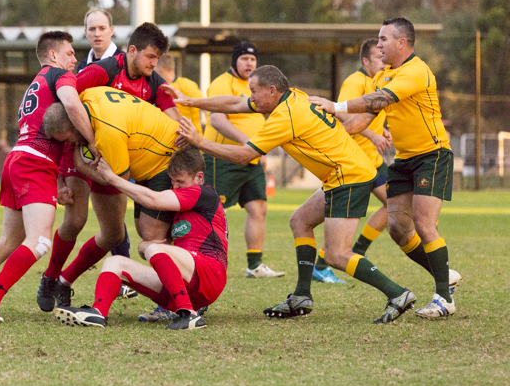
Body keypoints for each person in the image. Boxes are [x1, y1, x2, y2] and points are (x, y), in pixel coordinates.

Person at [173, 65, 415, 324]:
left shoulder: (284, 116)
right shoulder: (292, 96)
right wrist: (191, 102)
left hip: (349, 176)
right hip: (342, 174)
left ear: (271, 90)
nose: (251, 97)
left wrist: (198, 142)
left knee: (337, 254)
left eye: (254, 91)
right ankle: (301, 295)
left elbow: (245, 156)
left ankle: (398, 294)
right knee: (300, 220)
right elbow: (234, 103)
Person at [309, 18, 461, 319]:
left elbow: (381, 99)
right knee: (397, 230)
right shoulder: (383, 76)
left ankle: (444, 298)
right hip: (404, 160)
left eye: (383, 39)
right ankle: (446, 275)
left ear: (401, 43)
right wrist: (330, 133)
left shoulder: (416, 71)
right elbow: (366, 115)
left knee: (423, 223)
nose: (378, 45)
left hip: (432, 154)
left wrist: (335, 106)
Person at [0, 31, 94, 323]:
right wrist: (92, 140)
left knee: (9, 239)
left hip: (17, 158)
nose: (75, 58)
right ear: (53, 55)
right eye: (70, 52)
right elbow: (72, 106)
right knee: (40, 242)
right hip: (36, 162)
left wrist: (60, 182)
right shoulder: (60, 75)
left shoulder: (35, 84)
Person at [39, 21, 180, 312]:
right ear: (132, 51)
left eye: (158, 59)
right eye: (151, 57)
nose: (155, 64)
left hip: (115, 161)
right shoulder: (101, 71)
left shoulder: (154, 81)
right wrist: (61, 176)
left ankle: (65, 280)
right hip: (78, 150)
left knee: (115, 234)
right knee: (75, 220)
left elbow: (173, 118)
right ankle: (51, 277)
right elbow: (59, 115)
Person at [55, 147, 227, 330]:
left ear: (199, 178)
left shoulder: (205, 193)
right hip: (189, 284)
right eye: (172, 182)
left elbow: (153, 200)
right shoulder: (181, 209)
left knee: (153, 249)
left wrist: (112, 178)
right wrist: (146, 246)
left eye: (180, 181)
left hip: (210, 273)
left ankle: (188, 314)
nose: (175, 186)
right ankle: (98, 312)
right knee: (114, 263)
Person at [191, 39, 284, 280]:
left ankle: (255, 265)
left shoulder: (261, 86)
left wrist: (258, 150)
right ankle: (205, 261)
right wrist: (250, 143)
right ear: (235, 61)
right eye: (244, 59)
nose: (249, 63)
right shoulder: (222, 83)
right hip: (222, 159)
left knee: (258, 207)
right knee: (214, 211)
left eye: (253, 59)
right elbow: (217, 120)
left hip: (251, 160)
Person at [312, 38, 391, 284]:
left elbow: (372, 114)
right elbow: (342, 111)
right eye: (378, 58)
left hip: (373, 161)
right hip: (353, 161)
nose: (383, 61)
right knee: (336, 214)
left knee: (397, 204)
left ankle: (357, 251)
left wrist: (383, 130)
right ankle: (323, 264)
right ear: (365, 61)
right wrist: (373, 134)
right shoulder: (355, 81)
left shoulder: (380, 82)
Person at [156, 53, 203, 133]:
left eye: (154, 70)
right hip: (174, 136)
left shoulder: (184, 85)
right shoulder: (189, 84)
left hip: (189, 137)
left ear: (160, 70)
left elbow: (204, 106)